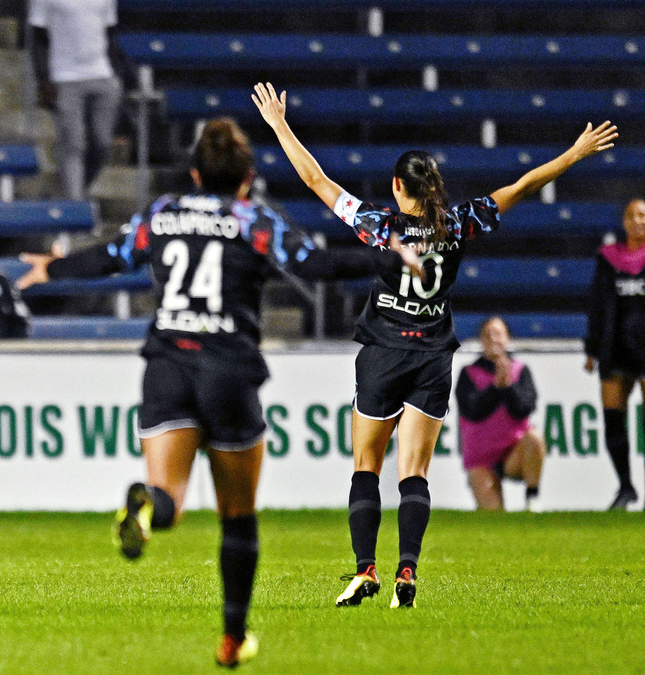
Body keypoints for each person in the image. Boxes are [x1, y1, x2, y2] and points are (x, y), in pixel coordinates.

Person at [17, 118, 421, 667]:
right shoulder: (252, 219)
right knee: (237, 513)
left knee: (170, 497)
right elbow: (316, 264)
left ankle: (145, 504)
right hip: (227, 368)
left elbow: (112, 255)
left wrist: (54, 267)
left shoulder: (162, 214)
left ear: (193, 173)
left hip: (166, 365)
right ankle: (232, 638)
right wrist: (386, 257)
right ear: (246, 179)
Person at [252, 81, 617, 609]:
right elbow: (524, 184)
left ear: (398, 186)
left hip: (382, 353)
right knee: (415, 472)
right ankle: (407, 571)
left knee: (365, 465)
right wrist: (574, 154)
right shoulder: (458, 224)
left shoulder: (382, 226)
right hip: (431, 356)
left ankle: (365, 570)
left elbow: (315, 180)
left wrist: (280, 125)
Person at [28, 0, 126, 201]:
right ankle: (75, 204)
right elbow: (37, 37)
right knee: (73, 144)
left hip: (102, 73)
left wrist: (116, 73)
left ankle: (75, 191)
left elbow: (110, 33)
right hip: (65, 76)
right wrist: (43, 79)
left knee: (102, 142)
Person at [585, 198, 645, 510]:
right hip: (615, 348)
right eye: (632, 216)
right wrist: (592, 349)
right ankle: (625, 487)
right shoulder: (609, 258)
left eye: (643, 215)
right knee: (613, 419)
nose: (637, 221)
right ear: (623, 222)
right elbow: (596, 306)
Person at [457, 317, 544, 512]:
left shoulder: (520, 371)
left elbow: (523, 409)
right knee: (493, 514)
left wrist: (508, 387)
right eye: (487, 335)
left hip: (513, 453)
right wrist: (496, 388)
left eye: (497, 334)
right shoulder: (469, 373)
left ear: (507, 339)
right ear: (481, 340)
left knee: (534, 439)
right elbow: (472, 411)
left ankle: (533, 498)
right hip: (481, 458)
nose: (492, 339)